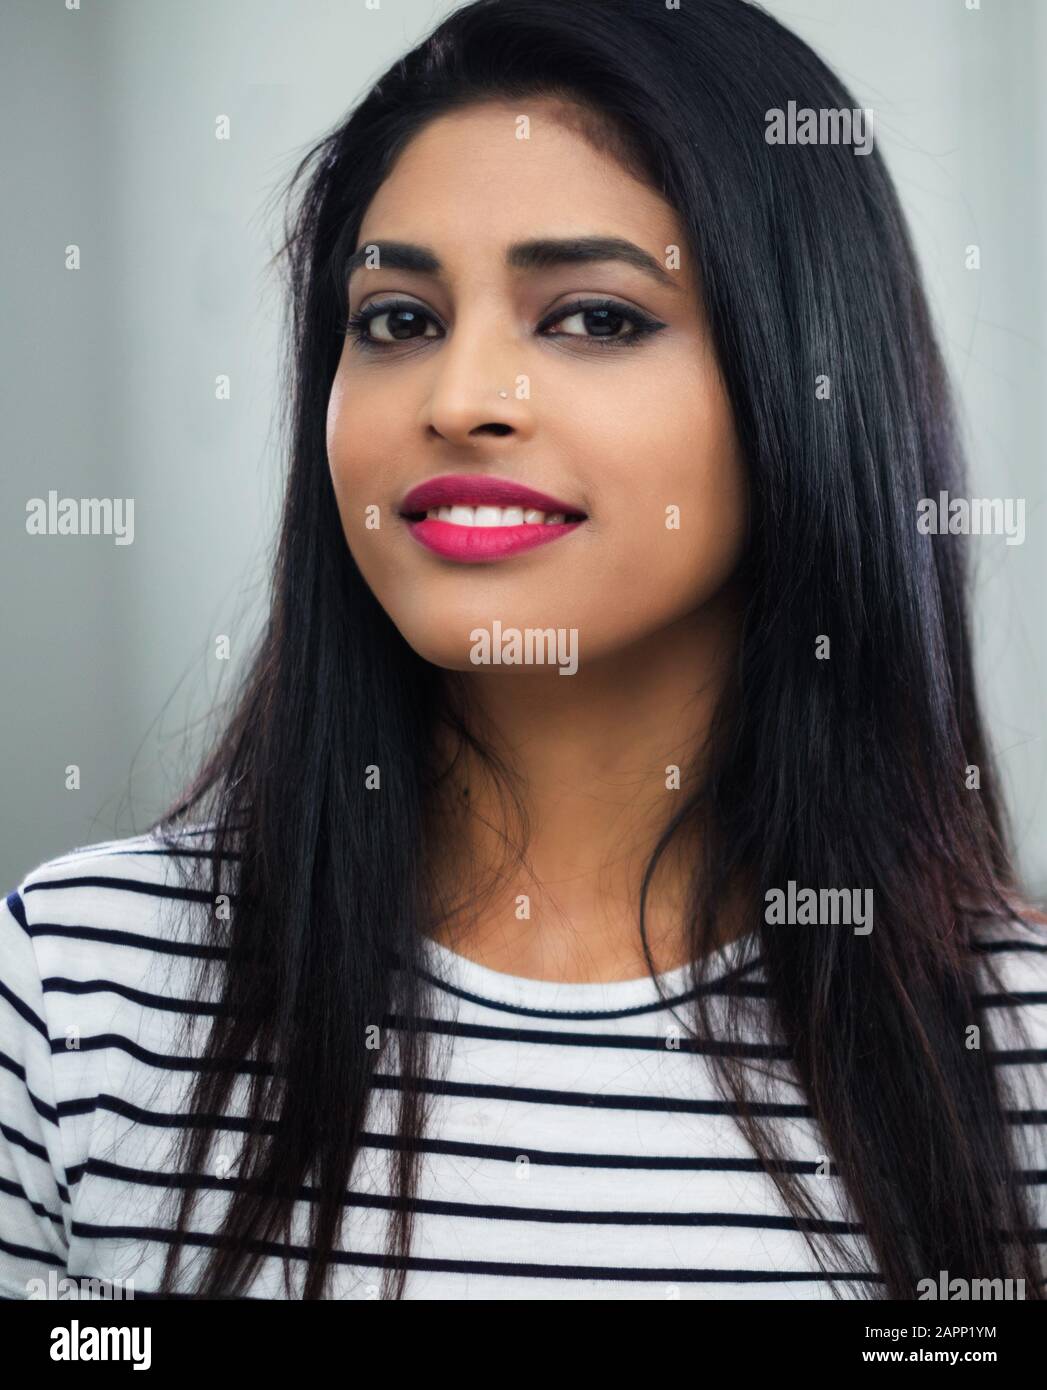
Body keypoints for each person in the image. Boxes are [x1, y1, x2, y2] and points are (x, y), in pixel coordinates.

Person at [2, 0, 1045, 1301]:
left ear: (807, 383)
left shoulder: (1020, 1052)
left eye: (594, 318)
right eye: (395, 319)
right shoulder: (79, 983)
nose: (457, 398)